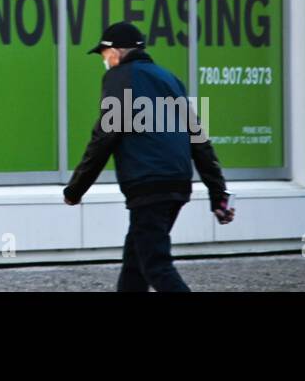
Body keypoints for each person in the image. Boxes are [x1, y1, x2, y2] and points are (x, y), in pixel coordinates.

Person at [62, 21, 235, 291]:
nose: (105, 61)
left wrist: (75, 189)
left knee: (156, 265)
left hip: (148, 184)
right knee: (135, 267)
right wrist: (218, 195)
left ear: (117, 51)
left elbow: (105, 136)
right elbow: (199, 139)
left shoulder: (119, 78)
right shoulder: (170, 79)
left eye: (105, 54)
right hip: (176, 183)